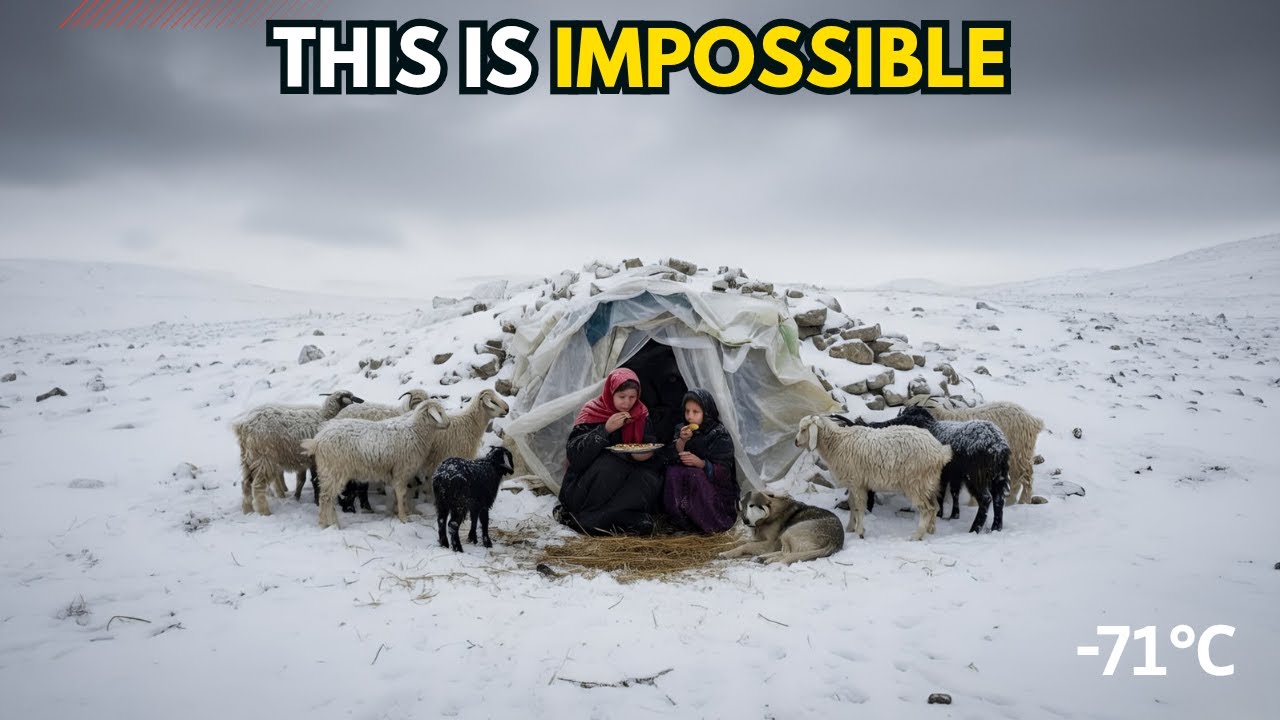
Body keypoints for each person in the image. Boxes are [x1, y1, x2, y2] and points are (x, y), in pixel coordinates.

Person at [554, 368, 665, 535]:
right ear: (610, 392)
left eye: (632, 397)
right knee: (611, 464)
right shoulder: (593, 410)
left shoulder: (641, 413)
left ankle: (600, 520)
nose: (627, 403)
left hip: (627, 477)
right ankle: (595, 518)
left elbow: (650, 444)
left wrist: (646, 454)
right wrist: (605, 430)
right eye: (622, 397)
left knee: (649, 478)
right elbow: (576, 456)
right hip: (589, 484)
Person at [661, 389, 739, 533]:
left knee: (694, 475)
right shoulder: (682, 429)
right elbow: (669, 456)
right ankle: (681, 520)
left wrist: (701, 464)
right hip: (686, 477)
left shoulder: (718, 434)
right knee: (673, 471)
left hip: (712, 487)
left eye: (695, 412)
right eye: (687, 411)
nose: (690, 416)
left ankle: (707, 521)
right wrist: (682, 441)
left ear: (706, 412)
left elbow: (724, 471)